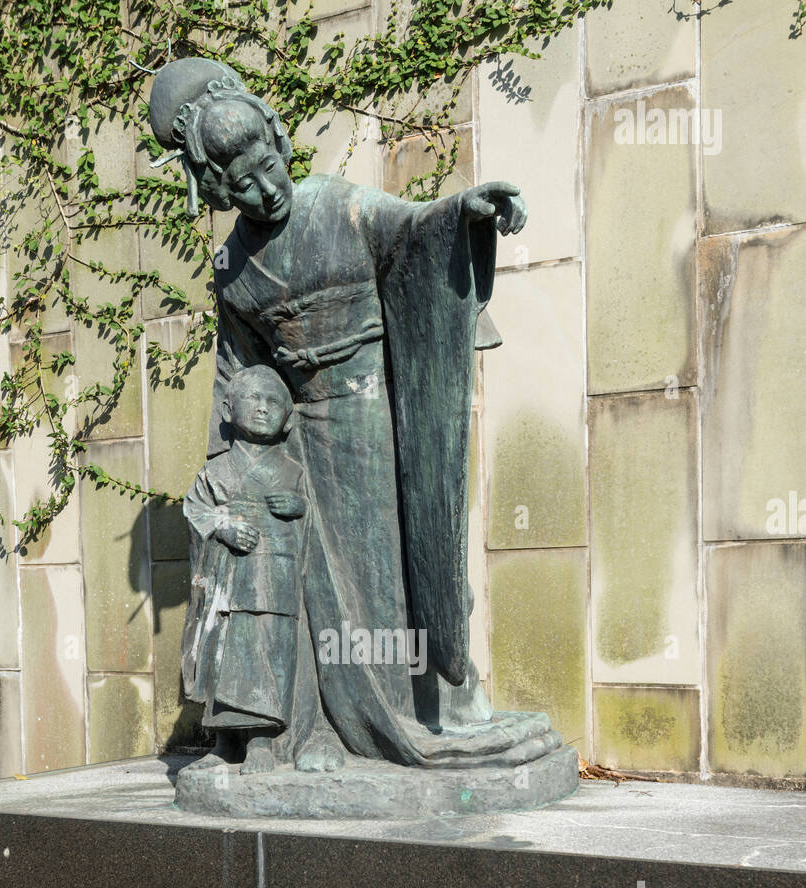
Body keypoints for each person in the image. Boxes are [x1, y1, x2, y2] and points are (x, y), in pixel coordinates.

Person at [150, 58, 563, 773]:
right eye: (240, 182)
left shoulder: (334, 202)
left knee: (398, 567)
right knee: (318, 587)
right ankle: (319, 727)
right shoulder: (234, 270)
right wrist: (232, 479)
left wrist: (466, 211)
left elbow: (413, 233)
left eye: (266, 165)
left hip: (379, 415)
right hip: (303, 438)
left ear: (279, 146)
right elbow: (240, 379)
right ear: (217, 188)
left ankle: (422, 710)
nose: (263, 187)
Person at [181, 365, 306, 775]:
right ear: (228, 407)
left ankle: (261, 743)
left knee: (267, 652)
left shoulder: (294, 472)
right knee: (221, 653)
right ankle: (222, 741)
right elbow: (195, 512)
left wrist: (300, 509)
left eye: (274, 403)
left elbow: (321, 536)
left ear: (288, 418)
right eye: (254, 399)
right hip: (226, 585)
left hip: (273, 584)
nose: (264, 409)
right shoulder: (214, 471)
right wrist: (223, 525)